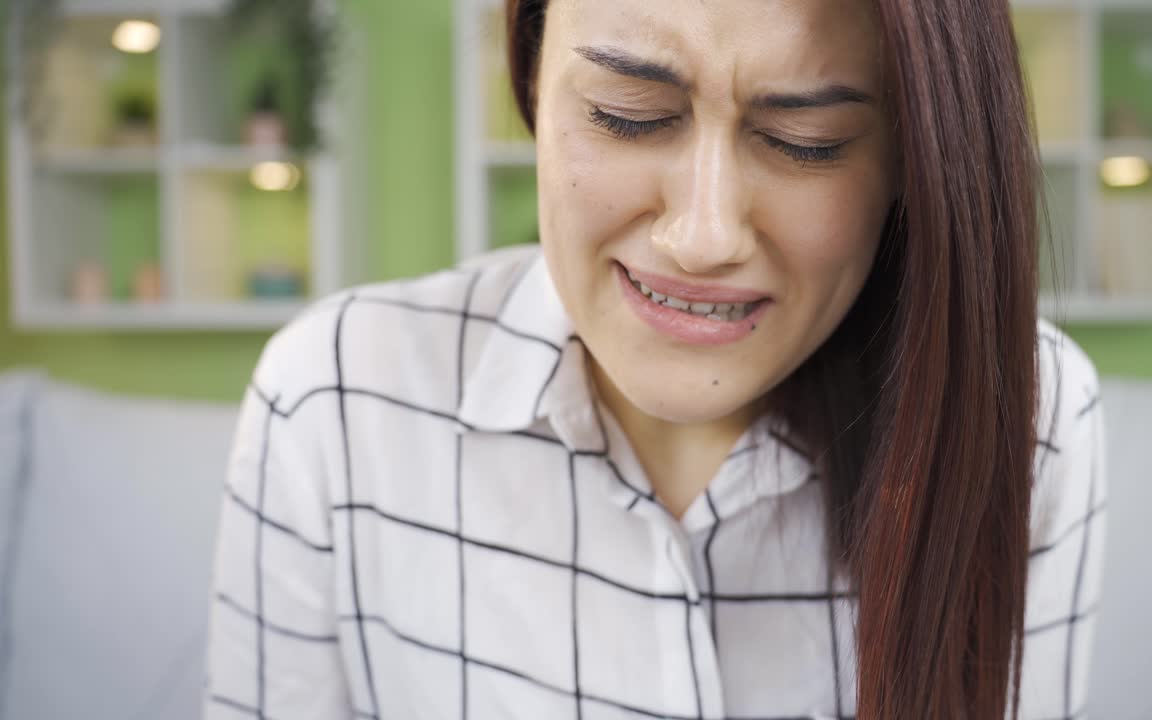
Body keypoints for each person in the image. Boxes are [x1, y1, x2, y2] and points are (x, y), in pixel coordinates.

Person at [203, 0, 1106, 717]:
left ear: (916, 154)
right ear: (532, 76)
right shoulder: (334, 398)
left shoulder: (1026, 414)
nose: (703, 237)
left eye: (808, 142)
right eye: (627, 116)